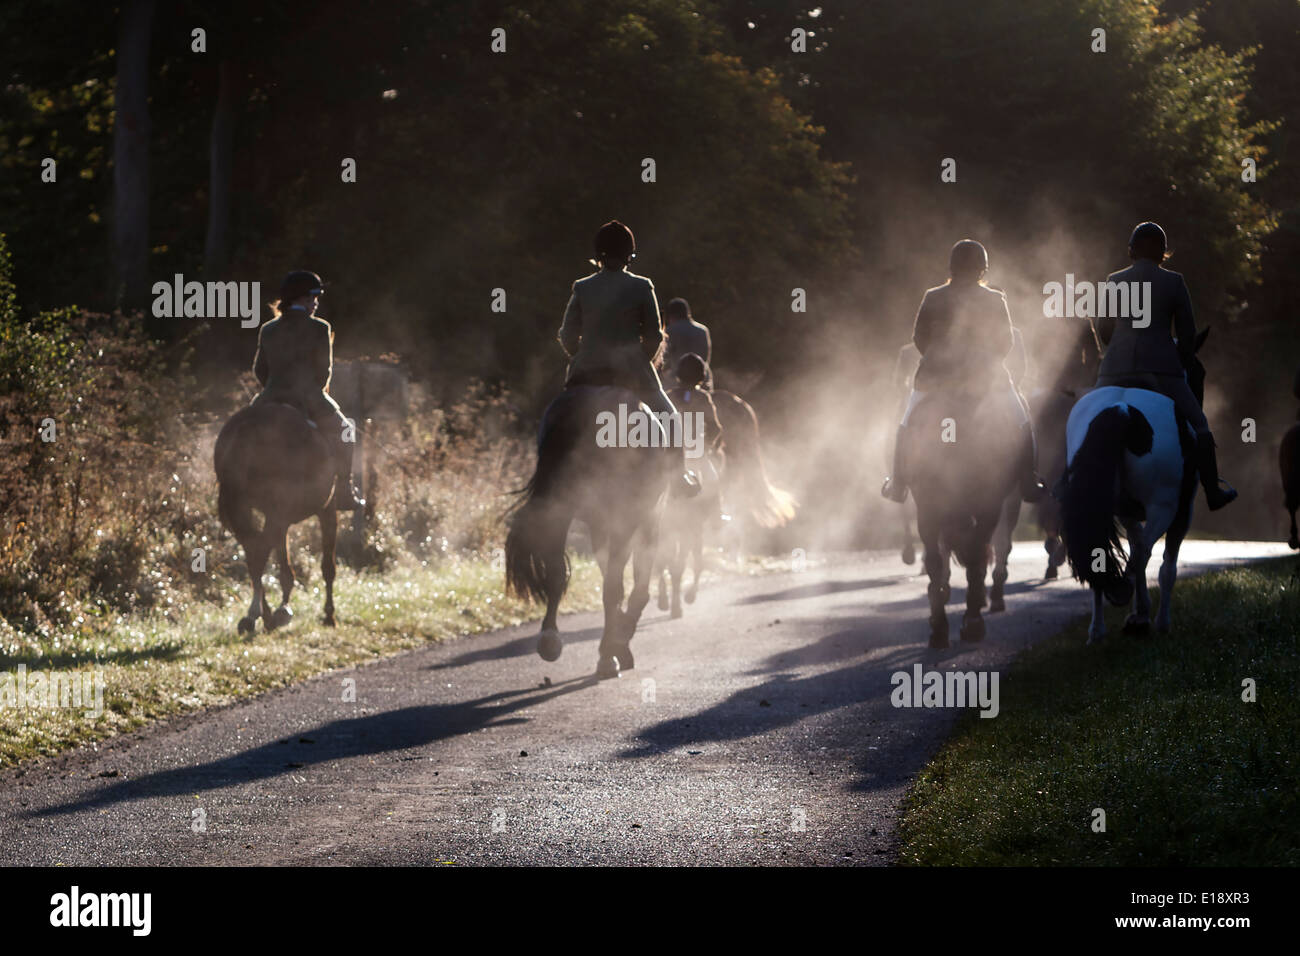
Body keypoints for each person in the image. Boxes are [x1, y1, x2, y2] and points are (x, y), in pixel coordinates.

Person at [882, 239, 1045, 504]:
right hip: (987, 381)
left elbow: (919, 337)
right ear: (983, 269)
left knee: (907, 420)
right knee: (1022, 418)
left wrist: (938, 362)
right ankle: (1029, 480)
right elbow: (1006, 341)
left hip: (935, 381)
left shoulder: (933, 295)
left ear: (951, 267)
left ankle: (898, 483)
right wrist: (987, 364)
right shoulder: (994, 298)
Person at [1093, 222, 1236, 510]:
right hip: (1160, 371)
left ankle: (1065, 483)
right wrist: (1180, 364)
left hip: (1113, 372)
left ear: (1131, 250)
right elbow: (1186, 336)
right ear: (1162, 253)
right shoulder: (1174, 282)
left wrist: (1118, 353)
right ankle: (1212, 491)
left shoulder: (1114, 280)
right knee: (1200, 426)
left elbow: (1104, 330)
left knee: (1084, 422)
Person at [557, 220, 699, 497]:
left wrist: (584, 356)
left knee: (555, 417)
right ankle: (679, 477)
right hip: (632, 376)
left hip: (585, 374)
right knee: (670, 418)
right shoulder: (642, 287)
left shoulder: (582, 288)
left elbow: (567, 334)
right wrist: (640, 360)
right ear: (629, 255)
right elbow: (655, 336)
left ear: (598, 253)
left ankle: (547, 479)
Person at [250, 270, 365, 511]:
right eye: (313, 298)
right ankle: (344, 490)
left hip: (270, 398)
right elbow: (323, 372)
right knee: (347, 431)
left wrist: (275, 390)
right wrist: (311, 392)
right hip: (309, 400)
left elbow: (259, 370)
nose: (315, 303)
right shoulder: (320, 328)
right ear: (300, 299)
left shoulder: (268, 329)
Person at [663, 298, 713, 390]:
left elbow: (663, 358)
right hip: (702, 380)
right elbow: (706, 358)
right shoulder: (702, 330)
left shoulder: (669, 331)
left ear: (671, 315)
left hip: (677, 383)